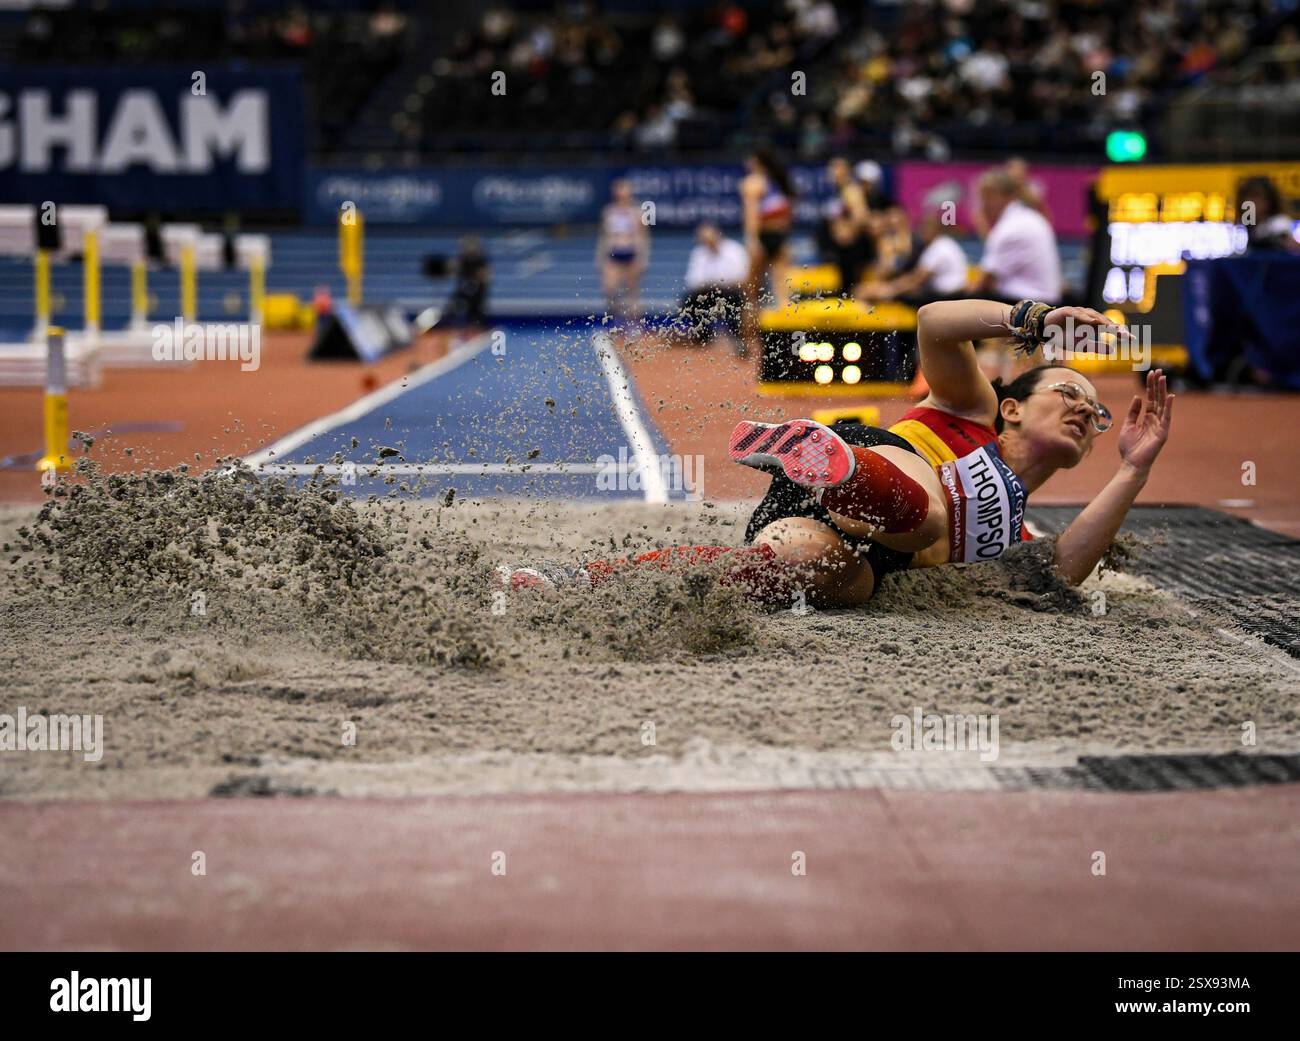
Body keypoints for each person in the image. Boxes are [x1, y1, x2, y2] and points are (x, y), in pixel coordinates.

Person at [498, 298, 1174, 607]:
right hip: (878, 464)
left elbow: (1060, 570)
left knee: (816, 575)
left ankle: (578, 581)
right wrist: (1030, 319)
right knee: (937, 513)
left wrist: (1135, 467)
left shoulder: (1019, 529)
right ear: (1014, 406)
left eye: (1098, 410)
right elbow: (933, 323)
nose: (1088, 408)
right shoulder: (968, 410)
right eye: (1070, 391)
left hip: (846, 535)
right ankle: (835, 464)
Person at [971, 168, 1061, 304]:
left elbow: (984, 284)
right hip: (1040, 305)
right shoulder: (1028, 217)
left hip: (1027, 307)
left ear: (994, 196)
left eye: (983, 198)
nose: (981, 207)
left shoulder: (1010, 227)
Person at [738, 148, 796, 354]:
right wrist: (754, 240)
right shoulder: (772, 182)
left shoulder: (758, 182)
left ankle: (771, 338)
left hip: (767, 238)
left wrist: (752, 240)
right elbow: (754, 213)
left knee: (758, 291)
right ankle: (750, 337)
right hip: (772, 237)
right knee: (761, 290)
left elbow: (751, 215)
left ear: (757, 161)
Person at [858, 210, 969, 305]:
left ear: (935, 229)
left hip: (948, 297)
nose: (922, 231)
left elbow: (916, 280)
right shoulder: (943, 244)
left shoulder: (938, 247)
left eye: (926, 227)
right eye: (922, 227)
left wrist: (887, 291)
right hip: (948, 295)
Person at [679, 223, 749, 346]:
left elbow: (741, 278)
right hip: (707, 292)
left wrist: (716, 284)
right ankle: (703, 336)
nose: (707, 242)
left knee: (733, 299)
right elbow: (693, 281)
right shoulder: (699, 253)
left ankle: (736, 336)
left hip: (730, 292)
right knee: (690, 300)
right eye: (703, 239)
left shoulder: (734, 250)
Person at [597, 179, 650, 320]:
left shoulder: (638, 211)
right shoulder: (609, 211)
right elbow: (604, 236)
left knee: (632, 292)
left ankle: (635, 325)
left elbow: (643, 236)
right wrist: (600, 257)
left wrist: (643, 257)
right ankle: (615, 320)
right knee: (610, 289)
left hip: (631, 252)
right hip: (614, 253)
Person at [822, 156, 873, 296]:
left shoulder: (851, 190)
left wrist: (848, 234)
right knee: (845, 284)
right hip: (844, 248)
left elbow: (861, 216)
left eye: (835, 168)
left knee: (851, 285)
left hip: (852, 247)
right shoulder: (839, 191)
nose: (831, 172)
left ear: (845, 171)